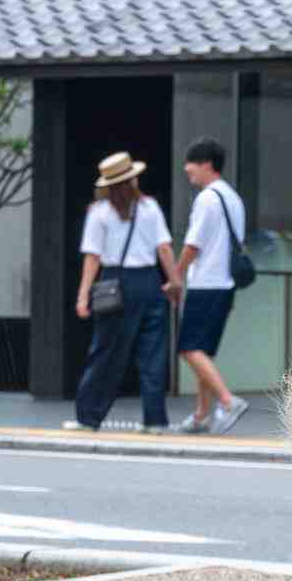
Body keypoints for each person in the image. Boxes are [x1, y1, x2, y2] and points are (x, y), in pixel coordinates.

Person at [70, 152, 179, 433]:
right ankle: (155, 420)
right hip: (150, 282)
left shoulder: (99, 213)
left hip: (114, 284)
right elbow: (164, 249)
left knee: (106, 352)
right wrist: (175, 282)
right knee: (152, 354)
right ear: (133, 180)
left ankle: (88, 417)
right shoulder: (150, 207)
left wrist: (83, 296)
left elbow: (92, 257)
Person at [169, 135, 252, 435]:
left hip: (206, 283)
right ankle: (201, 415)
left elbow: (193, 245)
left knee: (190, 348)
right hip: (225, 285)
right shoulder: (233, 198)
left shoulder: (207, 199)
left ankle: (228, 402)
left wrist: (176, 276)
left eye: (191, 168)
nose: (188, 173)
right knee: (203, 350)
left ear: (206, 165)